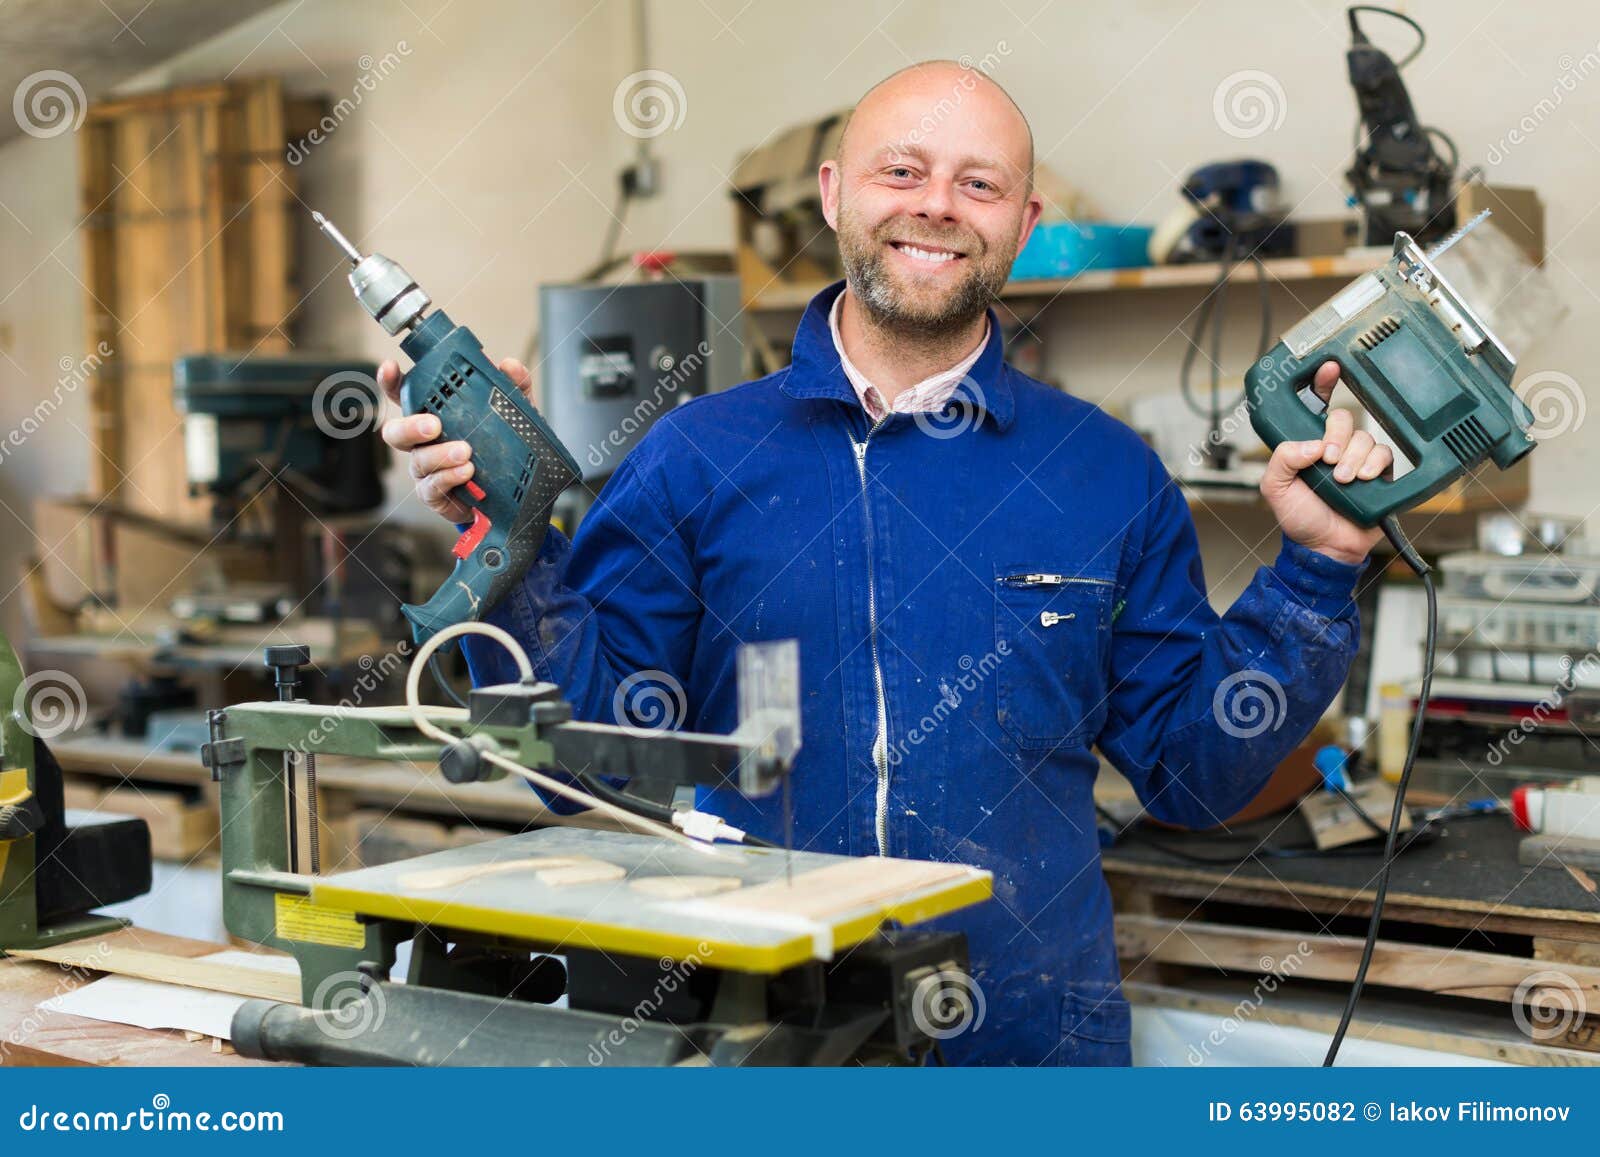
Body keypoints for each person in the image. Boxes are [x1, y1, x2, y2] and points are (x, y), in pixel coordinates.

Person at [378, 60, 1392, 1065]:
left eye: (979, 184)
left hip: (1029, 1049)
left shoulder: (1104, 471)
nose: (937, 207)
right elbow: (590, 769)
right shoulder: (693, 456)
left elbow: (1193, 776)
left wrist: (1315, 569)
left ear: (1023, 222)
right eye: (900, 173)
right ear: (833, 194)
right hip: (767, 1043)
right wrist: (508, 542)